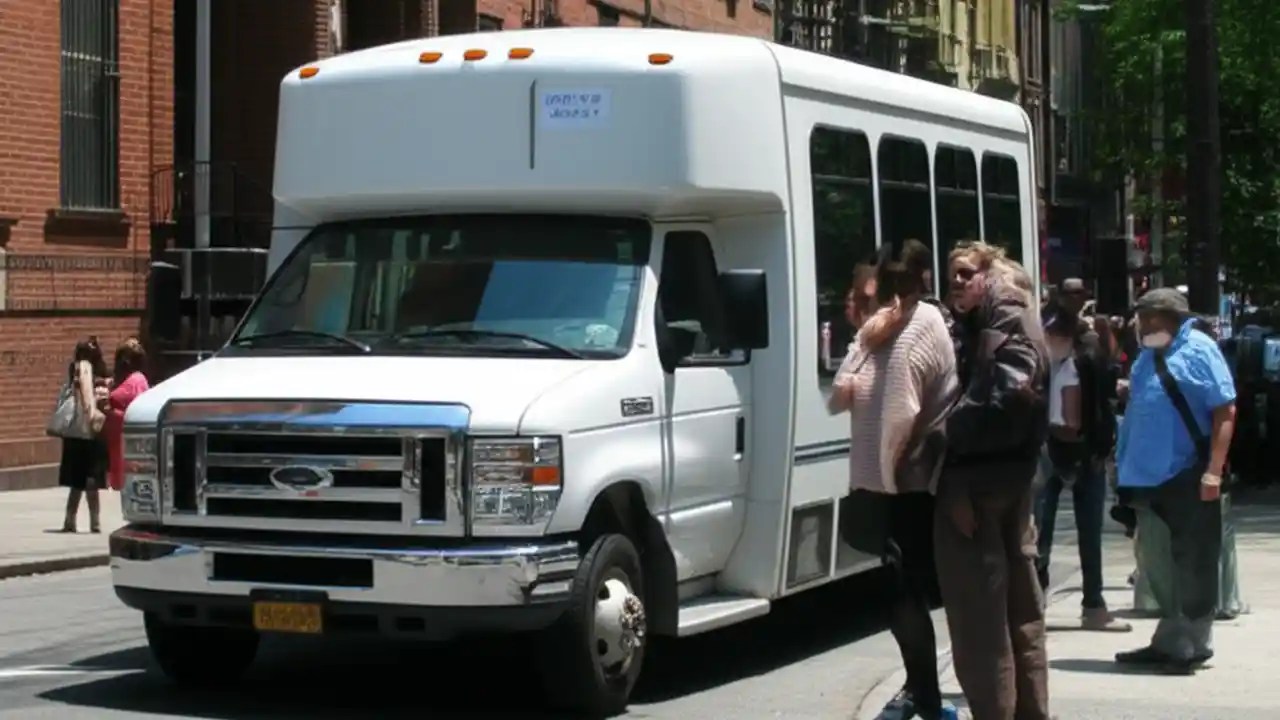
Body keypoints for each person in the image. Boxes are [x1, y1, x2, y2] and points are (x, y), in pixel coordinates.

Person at [830, 240, 958, 720]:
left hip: (908, 482)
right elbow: (844, 391)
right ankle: (922, 695)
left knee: (904, 592)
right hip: (888, 481)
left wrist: (887, 471)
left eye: (892, 284)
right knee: (897, 594)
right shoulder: (883, 329)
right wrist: (864, 337)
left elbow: (901, 411)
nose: (884, 295)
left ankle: (926, 700)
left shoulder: (919, 324)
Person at [934, 242, 1050, 719]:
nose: (957, 282)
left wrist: (945, 439)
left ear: (989, 273)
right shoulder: (1010, 315)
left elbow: (1009, 390)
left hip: (979, 485)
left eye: (966, 272)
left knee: (982, 624)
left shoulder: (1004, 317)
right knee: (1020, 615)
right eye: (952, 275)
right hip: (1009, 479)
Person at [1114, 288, 1236, 675]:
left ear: (1174, 318)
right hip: (1145, 477)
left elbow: (1225, 410)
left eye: (1152, 317)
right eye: (1142, 317)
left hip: (1186, 474)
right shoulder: (1146, 357)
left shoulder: (1200, 348)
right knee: (1155, 560)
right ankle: (1169, 639)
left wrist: (1213, 471)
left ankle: (1190, 644)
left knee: (1192, 562)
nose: (1144, 324)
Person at [1033, 309, 1131, 632]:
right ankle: (1089, 604)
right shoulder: (1065, 363)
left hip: (1066, 451)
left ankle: (1060, 604)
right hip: (1082, 452)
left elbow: (1071, 421)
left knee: (1051, 533)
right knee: (1066, 533)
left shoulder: (1072, 366)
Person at [58, 338, 109, 533]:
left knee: (78, 480)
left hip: (76, 433)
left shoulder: (77, 369)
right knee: (90, 479)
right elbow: (88, 398)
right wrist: (93, 414)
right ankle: (93, 521)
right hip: (89, 430)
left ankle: (70, 520)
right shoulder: (86, 368)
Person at [106, 338, 151, 491]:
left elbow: (140, 408)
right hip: (117, 439)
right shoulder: (122, 380)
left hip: (129, 440)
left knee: (130, 483)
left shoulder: (137, 380)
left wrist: (113, 411)